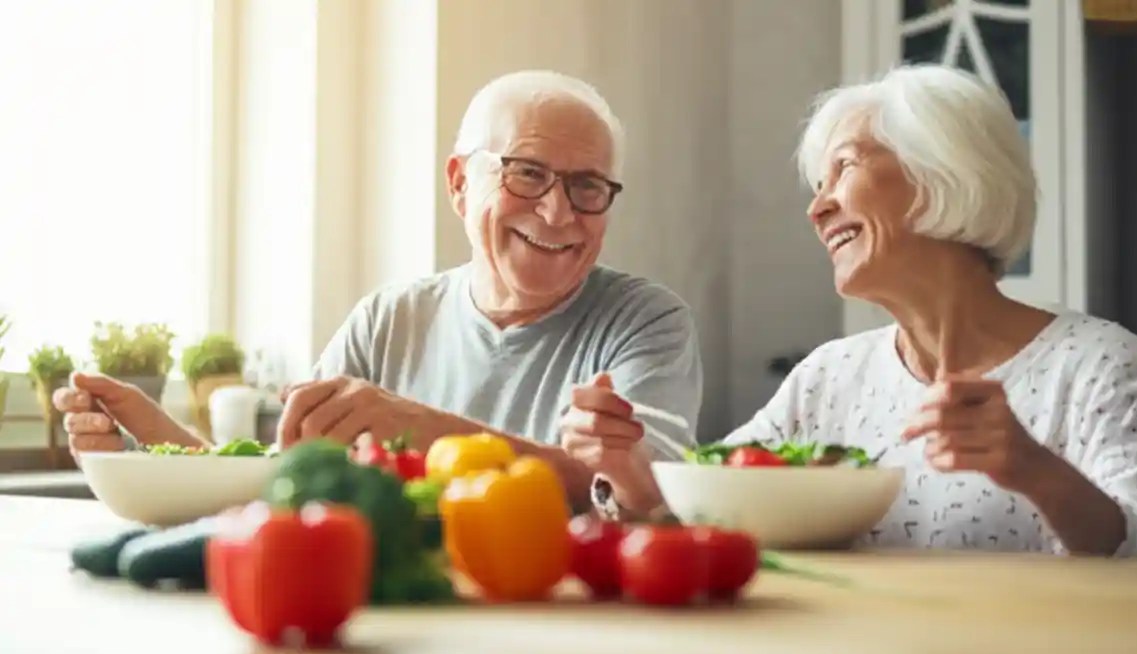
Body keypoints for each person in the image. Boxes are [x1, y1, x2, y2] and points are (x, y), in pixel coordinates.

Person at [564, 64, 1137, 558]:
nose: (817, 209)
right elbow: (709, 517)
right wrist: (631, 476)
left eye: (842, 169)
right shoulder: (830, 377)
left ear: (942, 170)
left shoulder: (1103, 366)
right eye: (817, 186)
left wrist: (1035, 472)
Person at [54, 69, 703, 509]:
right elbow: (287, 485)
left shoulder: (645, 321)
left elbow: (647, 494)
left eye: (587, 186)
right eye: (526, 173)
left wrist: (420, 427)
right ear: (458, 183)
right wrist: (153, 454)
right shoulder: (388, 318)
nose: (559, 213)